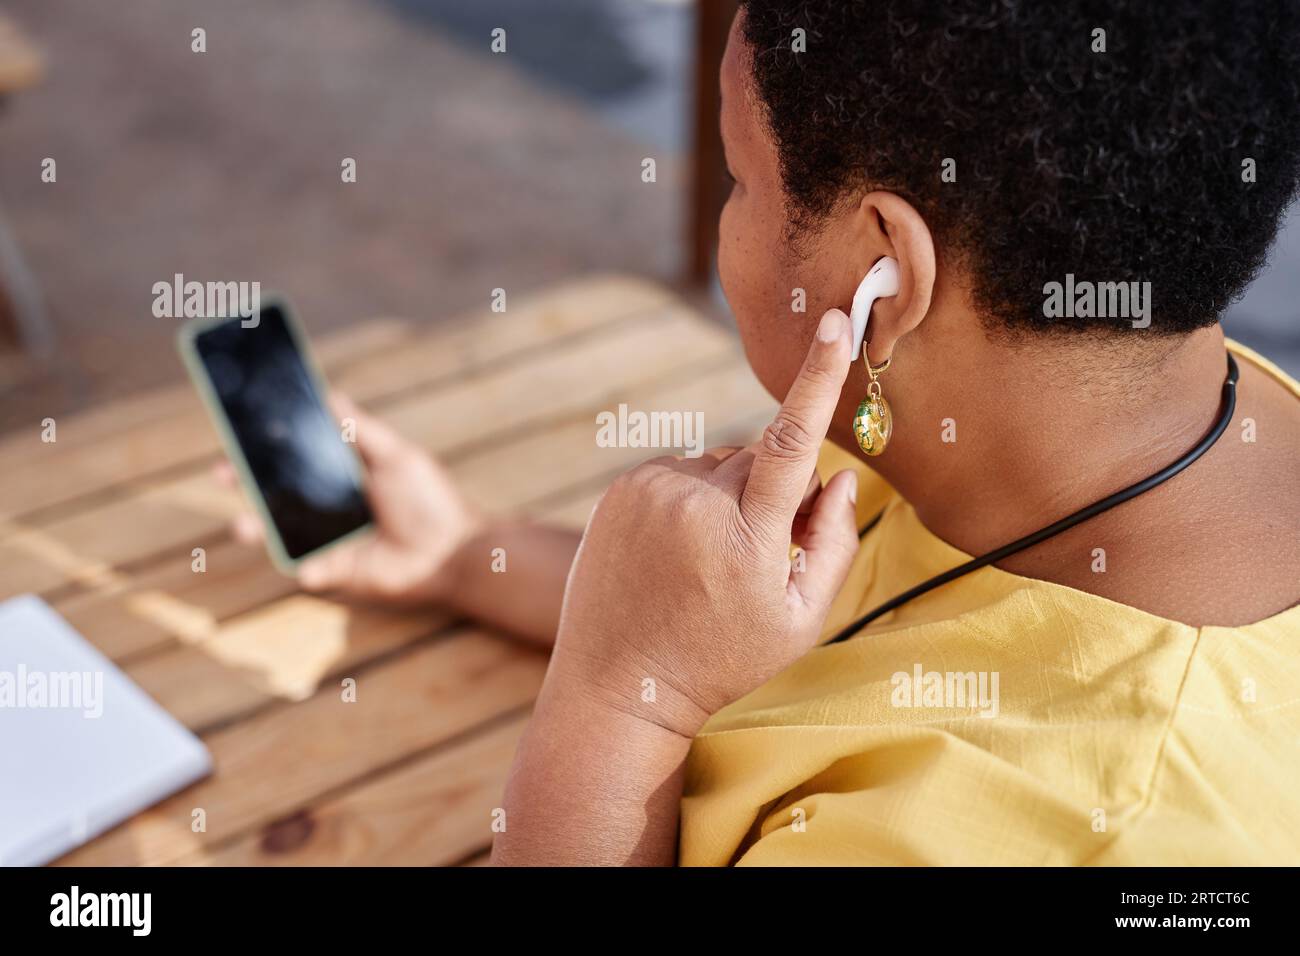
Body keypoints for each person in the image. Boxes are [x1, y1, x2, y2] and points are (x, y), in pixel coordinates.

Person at [225, 1, 1300, 865]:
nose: (725, 214)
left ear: (884, 284)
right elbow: (760, 612)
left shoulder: (1059, 829)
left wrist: (615, 707)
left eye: (739, 176)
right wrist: (470, 553)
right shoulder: (1158, 408)